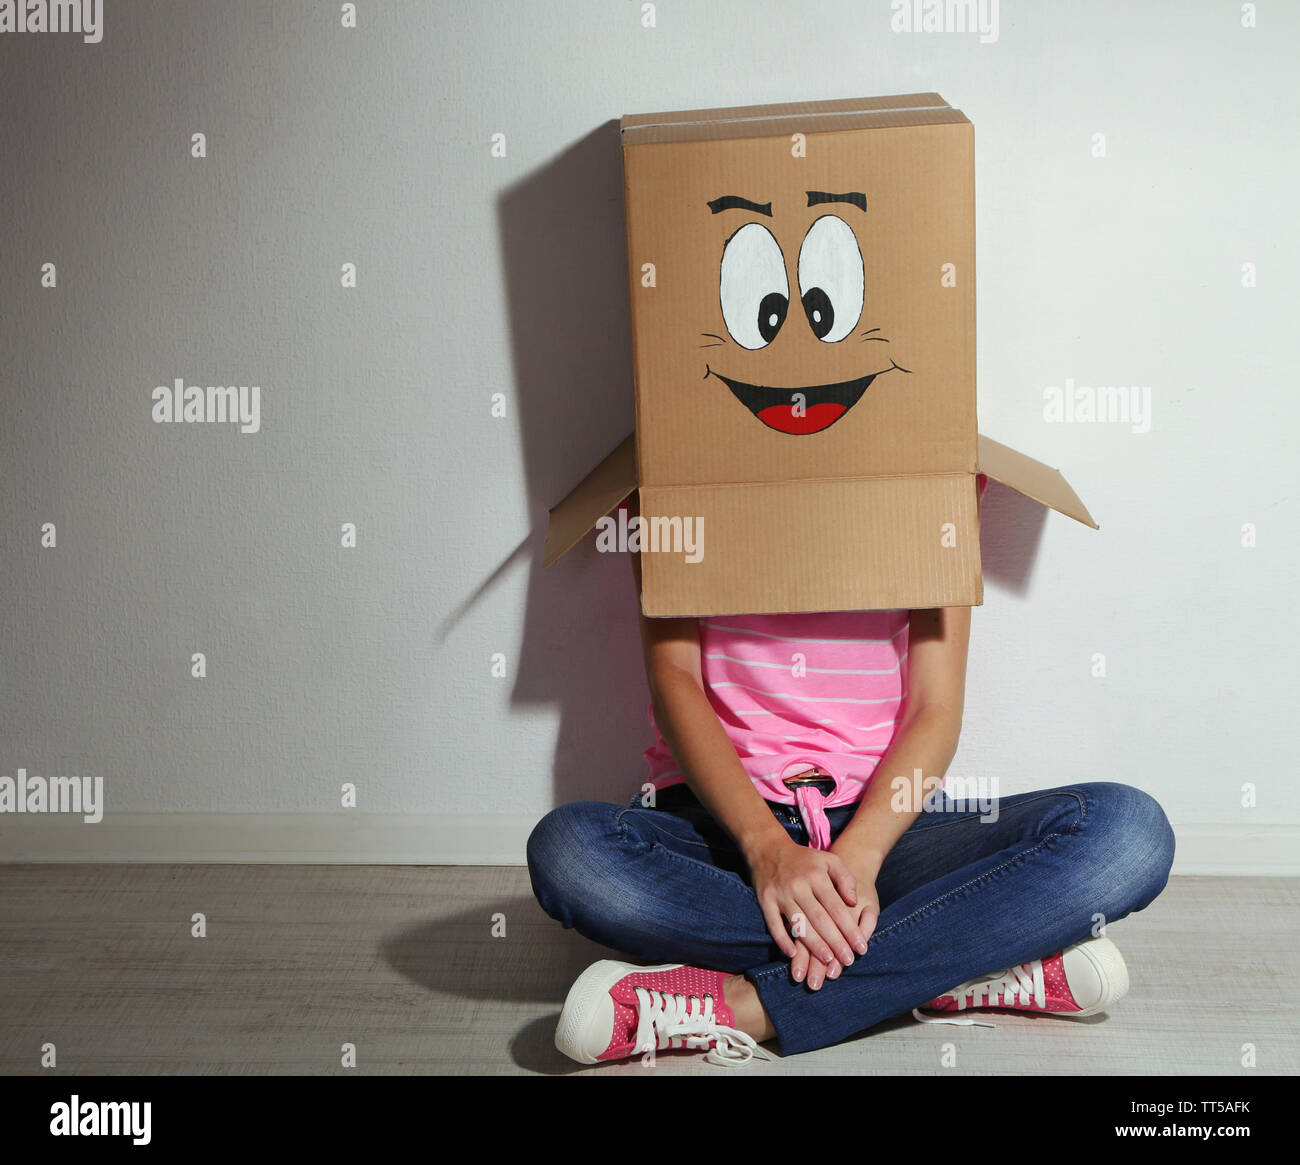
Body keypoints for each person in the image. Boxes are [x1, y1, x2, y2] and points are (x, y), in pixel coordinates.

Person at [526, 487, 1176, 1067]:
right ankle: (957, 956)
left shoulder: (935, 476)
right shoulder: (676, 466)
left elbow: (935, 707)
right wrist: (768, 849)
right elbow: (676, 683)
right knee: (573, 852)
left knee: (1127, 832)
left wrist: (861, 856)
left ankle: (743, 1006)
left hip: (887, 828)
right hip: (721, 827)